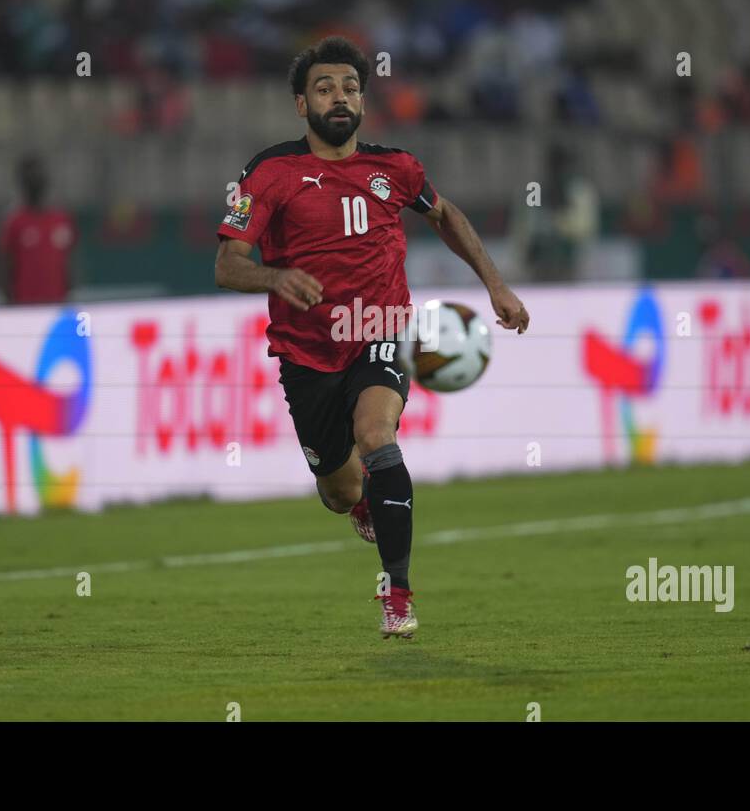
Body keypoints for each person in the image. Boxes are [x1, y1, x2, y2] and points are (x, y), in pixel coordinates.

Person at [214, 37, 530, 639]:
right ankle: (358, 502)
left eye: (351, 88)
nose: (340, 97)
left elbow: (447, 216)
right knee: (338, 490)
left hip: (382, 329)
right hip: (307, 352)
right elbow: (228, 265)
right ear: (301, 106)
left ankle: (398, 593)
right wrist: (276, 276)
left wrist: (496, 286)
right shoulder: (270, 172)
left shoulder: (397, 167)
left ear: (364, 100)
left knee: (377, 435)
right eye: (325, 88)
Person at [0, 155, 76, 305]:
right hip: (25, 307)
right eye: (31, 177)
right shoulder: (14, 222)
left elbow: (69, 263)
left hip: (57, 305)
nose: (36, 181)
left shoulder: (61, 220)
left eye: (39, 176)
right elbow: (7, 266)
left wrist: (69, 296)